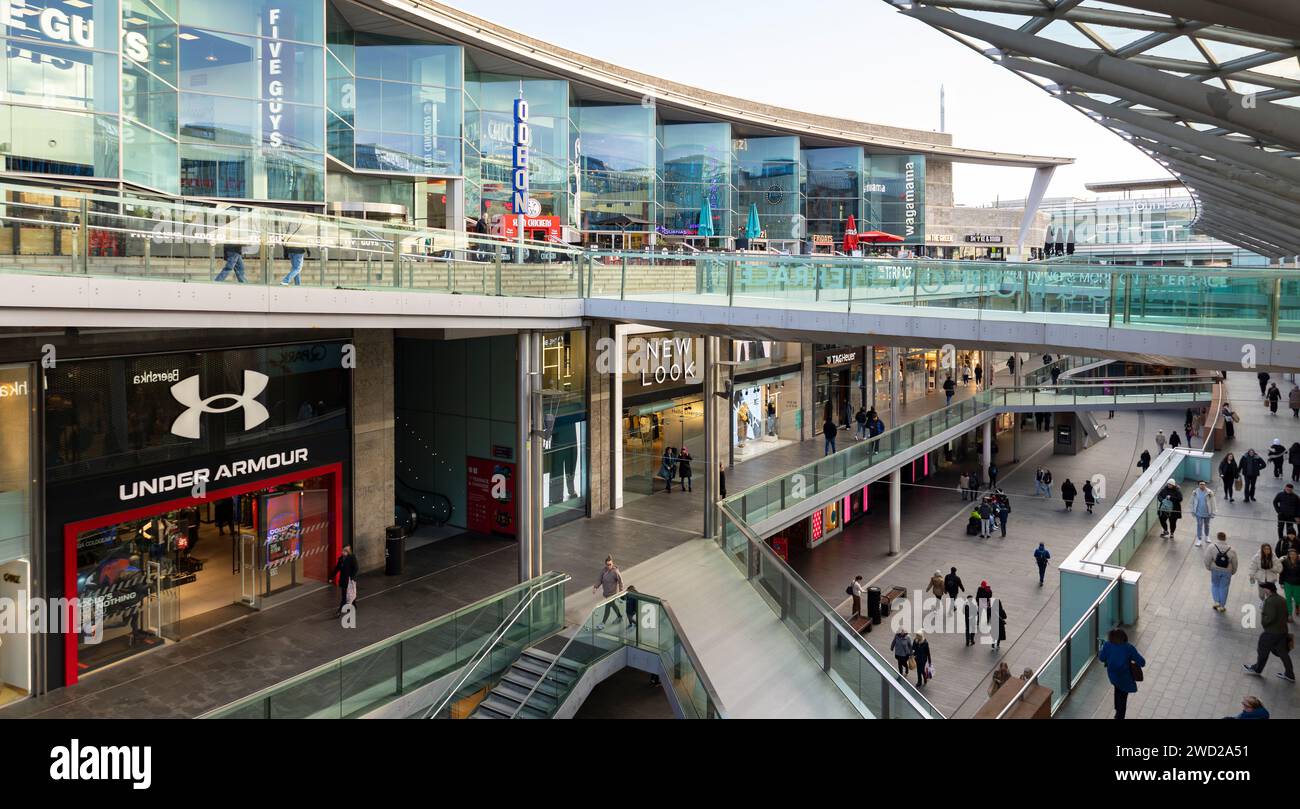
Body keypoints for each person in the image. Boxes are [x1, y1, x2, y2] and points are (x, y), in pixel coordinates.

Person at [1242, 582, 1295, 682]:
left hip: (1271, 632)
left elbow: (1270, 618)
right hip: (1283, 631)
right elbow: (1286, 614)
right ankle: (1290, 674)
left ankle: (1257, 669)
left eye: (1264, 589)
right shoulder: (1282, 599)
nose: (1263, 590)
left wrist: (1264, 621)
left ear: (1268, 590)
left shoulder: (1270, 601)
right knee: (1283, 653)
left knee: (1262, 649)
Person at [1099, 628, 1145, 719]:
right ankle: (1119, 715)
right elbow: (1142, 662)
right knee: (1123, 697)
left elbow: (1101, 658)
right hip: (1125, 678)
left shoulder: (1107, 645)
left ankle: (1117, 711)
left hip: (1113, 676)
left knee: (1117, 689)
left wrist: (1101, 649)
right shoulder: (1129, 648)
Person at [1204, 531, 1238, 612]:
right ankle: (1222, 606)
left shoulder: (1212, 547)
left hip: (1215, 570)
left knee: (1215, 585)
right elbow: (1235, 562)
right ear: (1225, 538)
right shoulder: (1232, 549)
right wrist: (1233, 571)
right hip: (1227, 571)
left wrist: (1208, 567)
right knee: (1224, 587)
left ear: (1217, 537)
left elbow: (1207, 558)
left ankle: (1216, 602)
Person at [591, 555, 624, 630]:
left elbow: (621, 582)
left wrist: (620, 592)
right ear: (605, 564)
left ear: (612, 564)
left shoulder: (615, 572)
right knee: (613, 605)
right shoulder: (603, 571)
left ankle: (603, 623)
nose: (609, 566)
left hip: (613, 594)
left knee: (607, 607)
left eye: (610, 564)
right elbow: (599, 579)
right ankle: (619, 617)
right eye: (607, 564)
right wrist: (595, 587)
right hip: (606, 593)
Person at [1248, 543, 1280, 607]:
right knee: (1261, 594)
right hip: (1261, 578)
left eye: (1268, 549)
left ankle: (1268, 603)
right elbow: (1253, 567)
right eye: (1265, 549)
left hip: (1271, 578)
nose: (1266, 550)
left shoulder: (1273, 557)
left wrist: (1272, 568)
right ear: (1262, 549)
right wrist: (1251, 575)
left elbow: (1278, 568)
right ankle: (1263, 600)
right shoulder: (1257, 557)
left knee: (1269, 593)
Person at [331, 544, 358, 617]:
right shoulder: (341, 559)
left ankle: (339, 612)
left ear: (349, 551)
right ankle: (354, 605)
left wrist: (351, 577)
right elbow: (337, 568)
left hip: (350, 581)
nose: (343, 552)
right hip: (343, 581)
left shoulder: (352, 558)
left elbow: (356, 568)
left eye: (345, 550)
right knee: (348, 595)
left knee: (345, 597)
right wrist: (331, 577)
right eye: (343, 550)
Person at [1190, 480, 1217, 547]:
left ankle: (1207, 536)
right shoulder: (1195, 492)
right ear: (1198, 485)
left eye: (1203, 484)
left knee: (1207, 525)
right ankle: (1199, 539)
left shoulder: (1209, 492)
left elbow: (1213, 502)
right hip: (1198, 513)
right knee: (1199, 525)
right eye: (1201, 484)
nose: (1202, 485)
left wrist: (1213, 512)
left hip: (1207, 513)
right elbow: (1192, 502)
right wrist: (1192, 510)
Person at [1281, 548, 1300, 621]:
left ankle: (1297, 605)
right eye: (1291, 554)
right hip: (1287, 583)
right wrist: (1281, 582)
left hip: (1297, 584)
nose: (1292, 556)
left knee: (1297, 599)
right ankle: (1290, 615)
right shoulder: (1285, 562)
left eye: (1294, 554)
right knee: (1288, 599)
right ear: (1288, 555)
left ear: (1297, 555)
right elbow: (1282, 573)